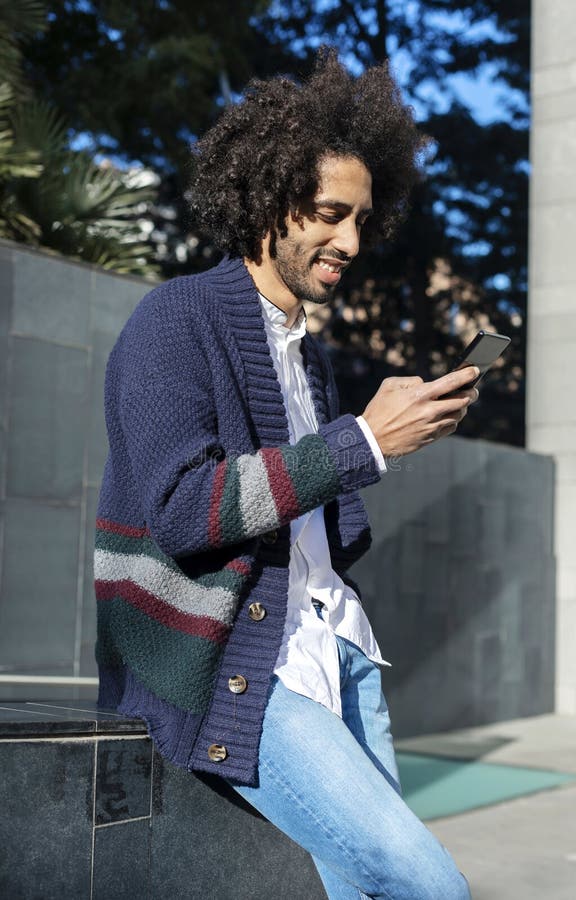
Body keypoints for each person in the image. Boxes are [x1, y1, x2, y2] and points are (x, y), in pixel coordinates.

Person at [94, 49, 477, 899]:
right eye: (331, 214)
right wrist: (363, 443)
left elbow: (311, 521)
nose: (351, 241)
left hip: (339, 649)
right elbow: (182, 508)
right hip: (238, 665)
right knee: (432, 887)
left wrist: (386, 440)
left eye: (363, 219)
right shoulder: (175, 321)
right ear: (269, 200)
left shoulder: (309, 357)